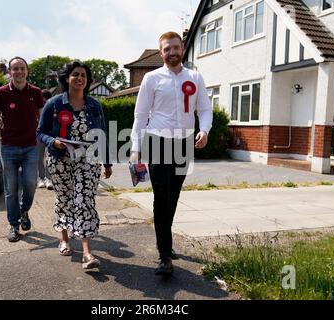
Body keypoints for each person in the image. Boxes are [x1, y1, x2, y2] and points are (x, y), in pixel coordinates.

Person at [130, 32, 213, 276]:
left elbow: (205, 109)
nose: (172, 52)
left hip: (184, 144)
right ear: (161, 52)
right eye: (167, 49)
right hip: (158, 142)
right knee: (161, 197)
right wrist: (136, 148)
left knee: (173, 197)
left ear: (183, 48)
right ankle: (164, 255)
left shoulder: (195, 77)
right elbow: (140, 115)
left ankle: (164, 241)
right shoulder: (151, 78)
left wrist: (205, 131)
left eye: (175, 47)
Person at [37, 61, 113, 270]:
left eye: (84, 76)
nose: (80, 78)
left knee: (85, 200)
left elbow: (102, 134)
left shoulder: (94, 105)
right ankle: (64, 238)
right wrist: (54, 142)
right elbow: (40, 132)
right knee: (65, 199)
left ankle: (87, 253)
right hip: (59, 160)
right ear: (67, 79)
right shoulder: (54, 104)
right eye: (76, 74)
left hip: (88, 159)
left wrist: (107, 162)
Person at [0, 57, 44, 243]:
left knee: (30, 184)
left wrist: (47, 140)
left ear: (27, 71)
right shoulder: (1, 93)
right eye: (15, 69)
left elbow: (42, 119)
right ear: (10, 72)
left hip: (31, 147)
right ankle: (13, 225)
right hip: (8, 147)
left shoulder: (36, 92)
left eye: (22, 68)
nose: (19, 72)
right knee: (10, 189)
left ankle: (24, 211)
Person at [37, 90, 54, 190]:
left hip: (50, 135)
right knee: (39, 157)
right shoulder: (37, 107)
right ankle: (40, 178)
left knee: (49, 157)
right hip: (39, 134)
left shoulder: (53, 106)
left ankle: (48, 179)